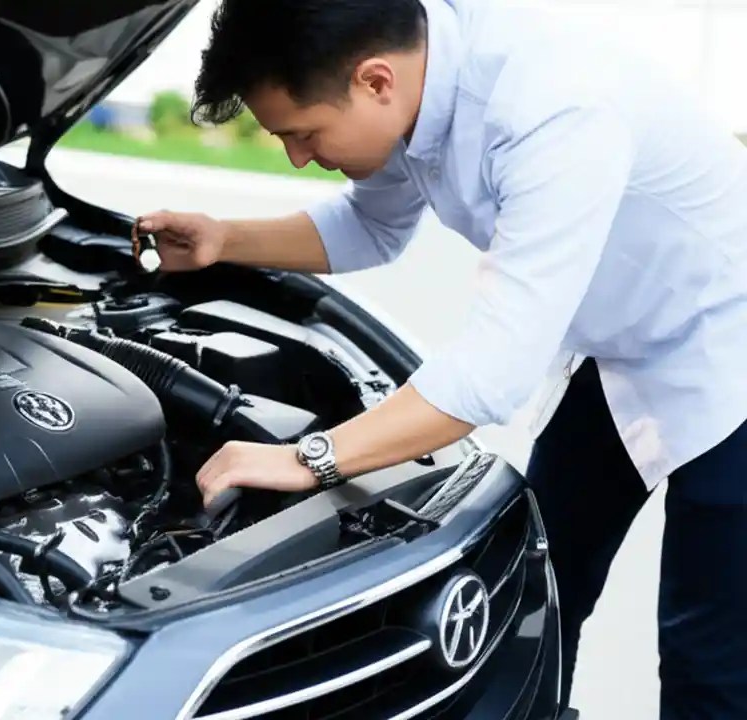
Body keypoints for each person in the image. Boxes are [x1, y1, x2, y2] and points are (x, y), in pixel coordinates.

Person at [132, 0, 747, 716]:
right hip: (620, 351)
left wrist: (308, 458)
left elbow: (487, 378)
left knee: (708, 659)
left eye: (303, 134)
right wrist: (223, 239)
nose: (298, 157)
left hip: (728, 353)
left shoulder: (554, 107)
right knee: (534, 593)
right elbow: (373, 225)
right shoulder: (414, 72)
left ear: (375, 81)